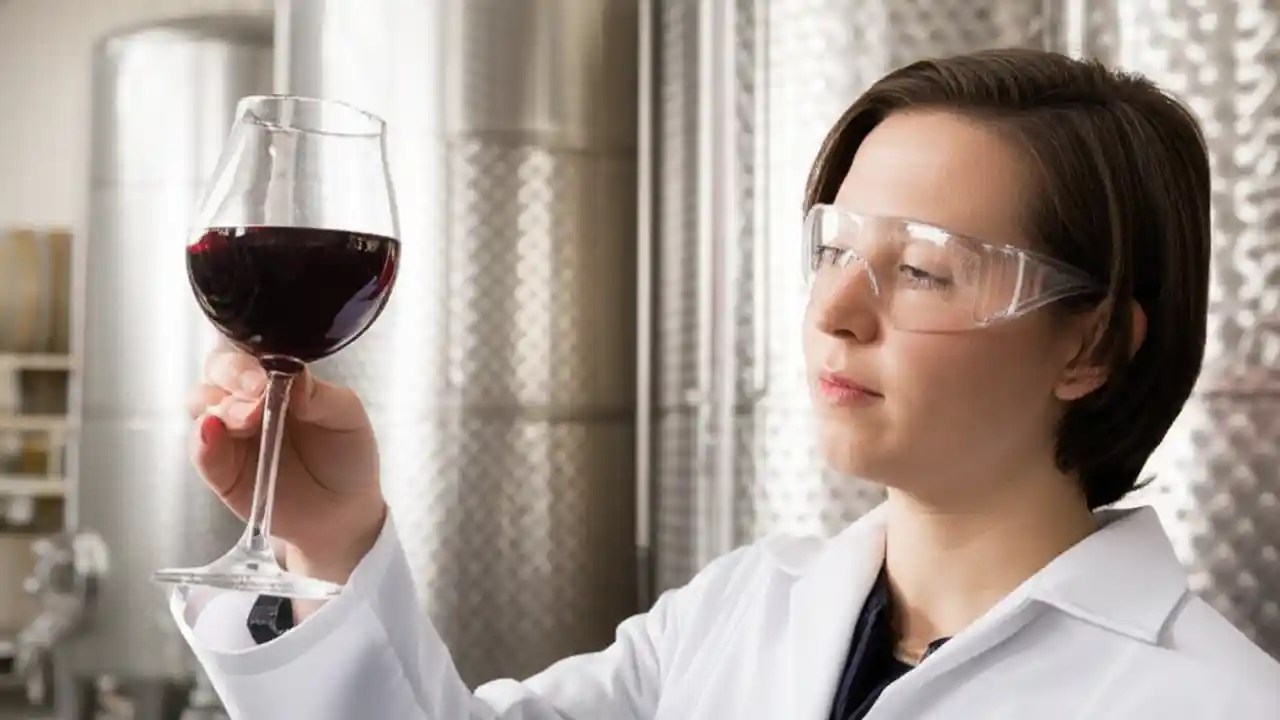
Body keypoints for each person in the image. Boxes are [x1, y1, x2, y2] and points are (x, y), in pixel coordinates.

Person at [172, 48, 1280, 719]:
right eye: (832, 251)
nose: (834, 311)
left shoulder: (1212, 701)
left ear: (1090, 346)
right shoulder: (739, 612)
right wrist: (332, 540)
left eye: (922, 269)